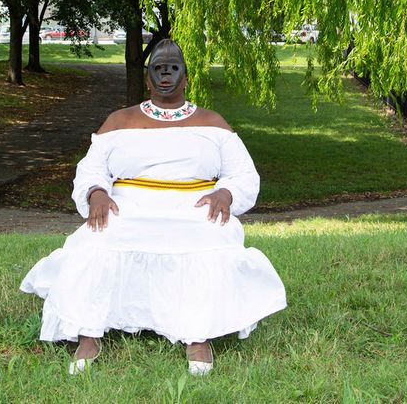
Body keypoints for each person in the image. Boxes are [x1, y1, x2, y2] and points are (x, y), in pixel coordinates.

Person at [20, 39, 287, 376]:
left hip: (194, 208)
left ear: (186, 78)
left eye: (173, 68)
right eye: (157, 69)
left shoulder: (214, 122)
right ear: (147, 79)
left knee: (210, 240)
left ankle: (198, 335)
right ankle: (89, 334)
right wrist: (97, 193)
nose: (165, 75)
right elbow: (91, 169)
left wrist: (227, 194)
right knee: (97, 242)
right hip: (128, 207)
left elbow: (243, 173)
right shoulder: (119, 121)